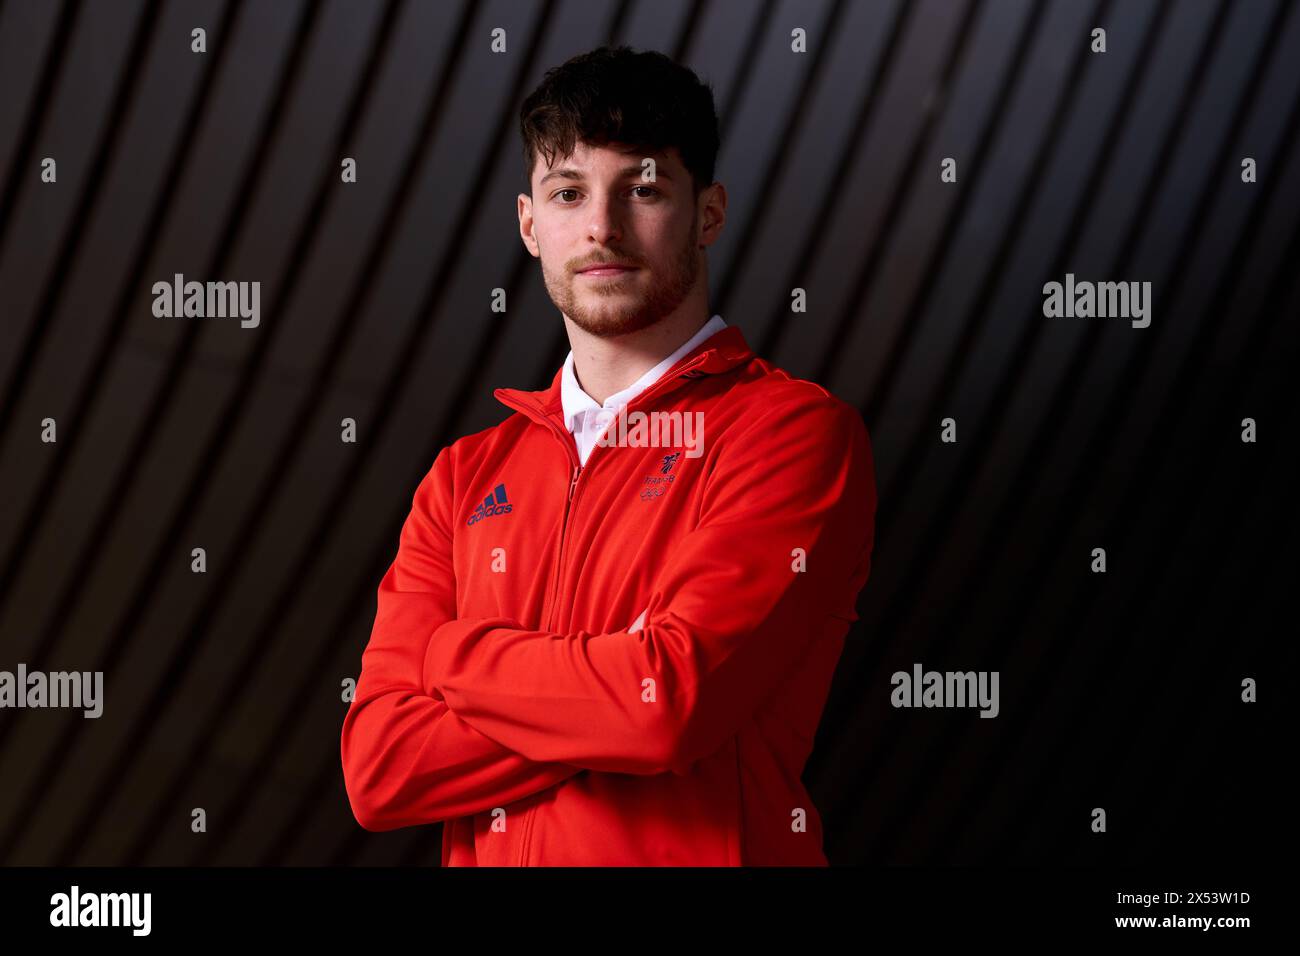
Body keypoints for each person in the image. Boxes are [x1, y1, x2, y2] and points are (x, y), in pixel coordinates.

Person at [340, 44, 877, 866]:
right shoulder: (464, 477)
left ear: (709, 213)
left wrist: (450, 658)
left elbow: (667, 706)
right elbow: (379, 770)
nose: (601, 226)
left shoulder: (788, 432)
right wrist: (605, 680)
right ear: (530, 225)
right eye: (569, 192)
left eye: (645, 187)